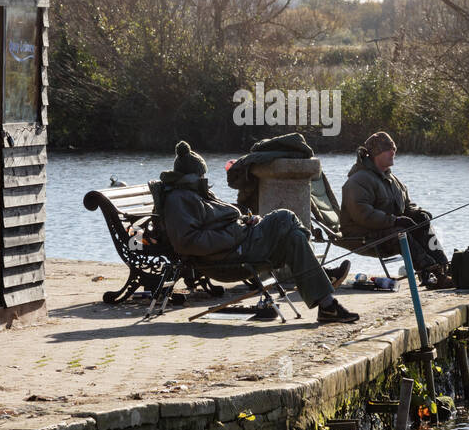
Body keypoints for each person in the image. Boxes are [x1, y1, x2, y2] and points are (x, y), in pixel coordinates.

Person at [162, 142, 359, 323]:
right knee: (284, 217)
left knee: (295, 237)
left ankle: (327, 307)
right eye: (202, 175)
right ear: (194, 175)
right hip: (231, 255)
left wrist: (245, 220)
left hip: (243, 243)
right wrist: (236, 232)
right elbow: (187, 241)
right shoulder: (180, 199)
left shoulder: (196, 194)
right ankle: (322, 279)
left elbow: (218, 221)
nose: (205, 178)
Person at [341, 131, 451, 288]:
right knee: (400, 233)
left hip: (385, 229)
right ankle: (433, 275)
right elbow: (363, 215)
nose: (393, 152)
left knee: (421, 221)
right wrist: (394, 220)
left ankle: (443, 266)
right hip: (361, 234)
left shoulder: (392, 179)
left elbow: (407, 205)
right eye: (388, 149)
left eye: (394, 149)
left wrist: (418, 213)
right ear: (375, 153)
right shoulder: (358, 180)